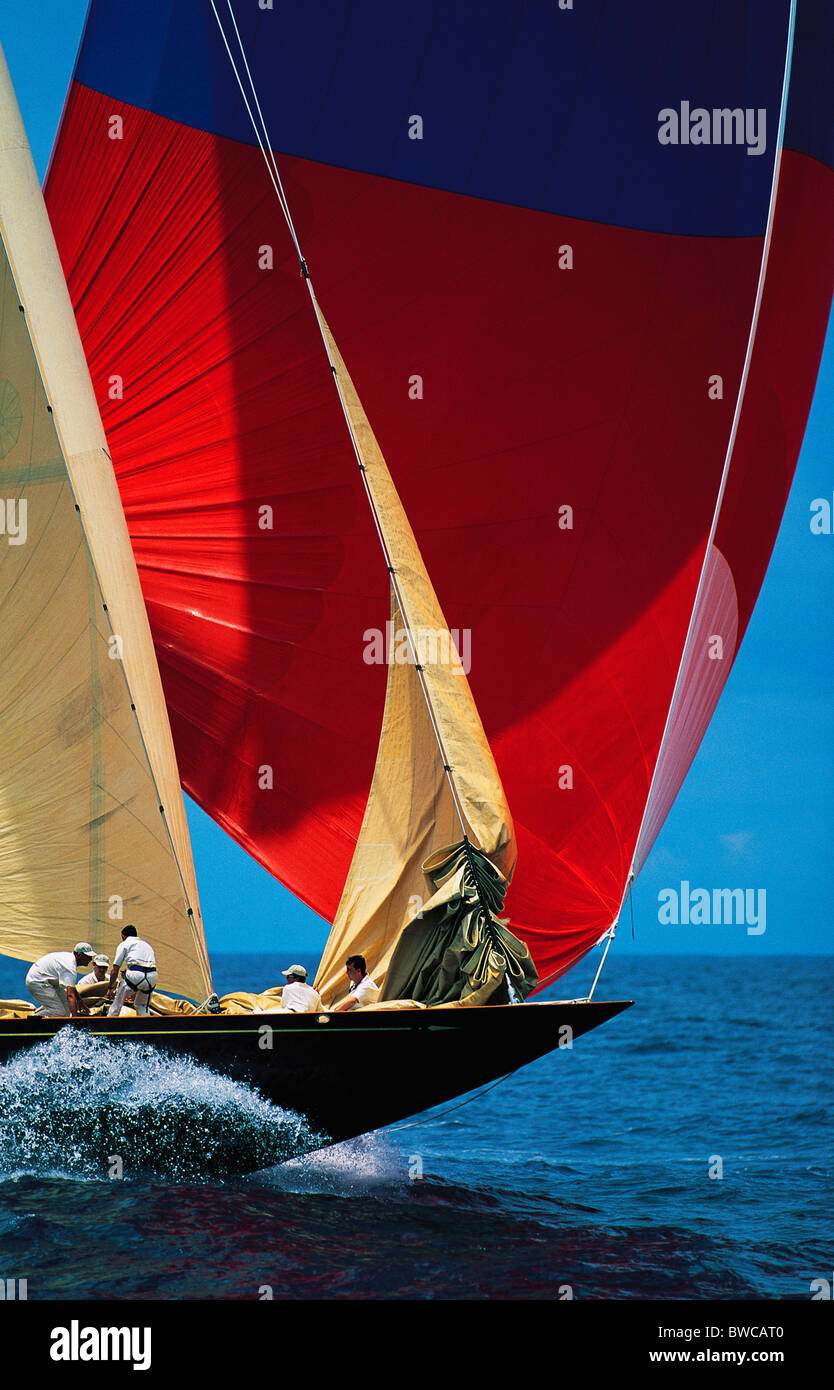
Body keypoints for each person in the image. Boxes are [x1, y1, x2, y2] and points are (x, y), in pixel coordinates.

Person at [25, 943, 94, 1017]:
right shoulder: (70, 967)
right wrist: (75, 1018)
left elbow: (72, 988)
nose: (90, 959)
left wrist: (80, 1001)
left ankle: (46, 1019)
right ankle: (32, 1020)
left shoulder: (69, 959)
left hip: (49, 983)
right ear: (79, 955)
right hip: (37, 982)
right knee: (59, 1012)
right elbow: (70, 995)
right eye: (88, 956)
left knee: (67, 1009)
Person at [106, 926, 157, 1017]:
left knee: (117, 1003)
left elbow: (115, 969)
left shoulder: (124, 944)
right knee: (142, 1005)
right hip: (152, 977)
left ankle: (110, 1021)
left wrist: (110, 988)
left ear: (123, 936)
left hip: (135, 976)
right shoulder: (147, 945)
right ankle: (145, 1025)